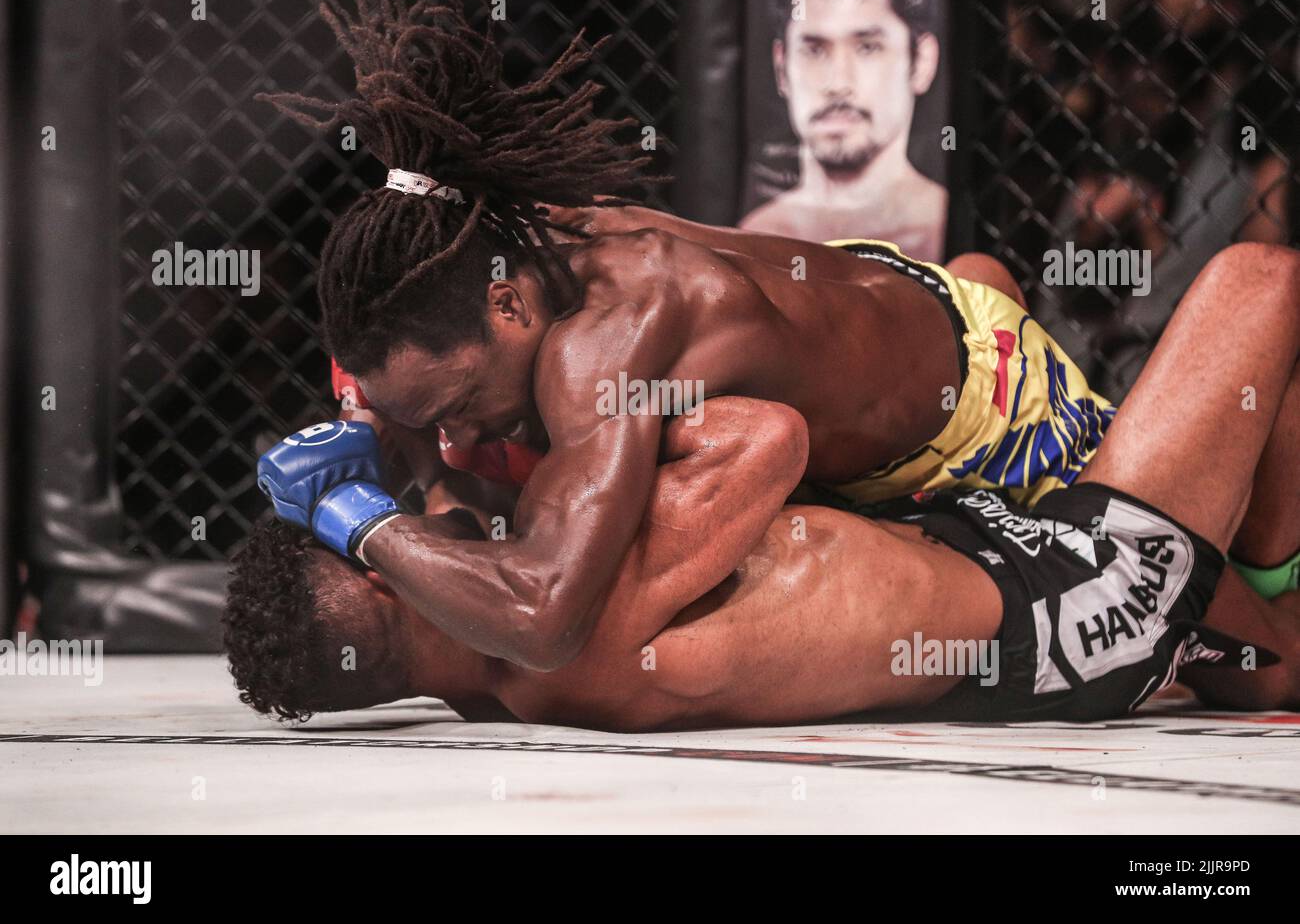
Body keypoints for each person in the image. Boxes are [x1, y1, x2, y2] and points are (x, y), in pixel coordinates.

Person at [255, 0, 1111, 671]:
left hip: (993, 418)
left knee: (1232, 652)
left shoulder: (601, 346)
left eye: (456, 403)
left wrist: (359, 519)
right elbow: (435, 392)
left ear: (507, 306)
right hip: (921, 306)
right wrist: (376, 427)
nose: (458, 434)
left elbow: (544, 618)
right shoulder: (515, 235)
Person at [228, 241, 1300, 729]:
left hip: (977, 546)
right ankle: (1262, 589)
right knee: (1258, 284)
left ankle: (1251, 619)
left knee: (979, 286)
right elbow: (762, 434)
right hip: (1072, 596)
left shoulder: (494, 677)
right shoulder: (574, 621)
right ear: (383, 580)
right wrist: (377, 504)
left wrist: (446, 477)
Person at [739, 0, 948, 260]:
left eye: (867, 47)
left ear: (922, 62)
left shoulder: (949, 233)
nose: (837, 84)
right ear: (781, 68)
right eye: (814, 50)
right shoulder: (753, 240)